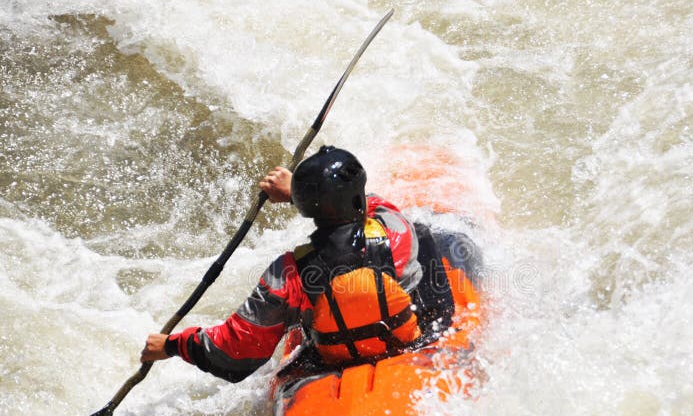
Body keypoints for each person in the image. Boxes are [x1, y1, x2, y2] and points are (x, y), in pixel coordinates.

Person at [141, 146, 480, 382]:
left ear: (307, 209)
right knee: (425, 231)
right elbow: (371, 204)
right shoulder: (396, 229)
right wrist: (297, 192)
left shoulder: (288, 274)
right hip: (410, 338)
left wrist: (171, 345)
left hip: (336, 358)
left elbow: (238, 346)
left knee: (291, 319)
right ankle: (441, 322)